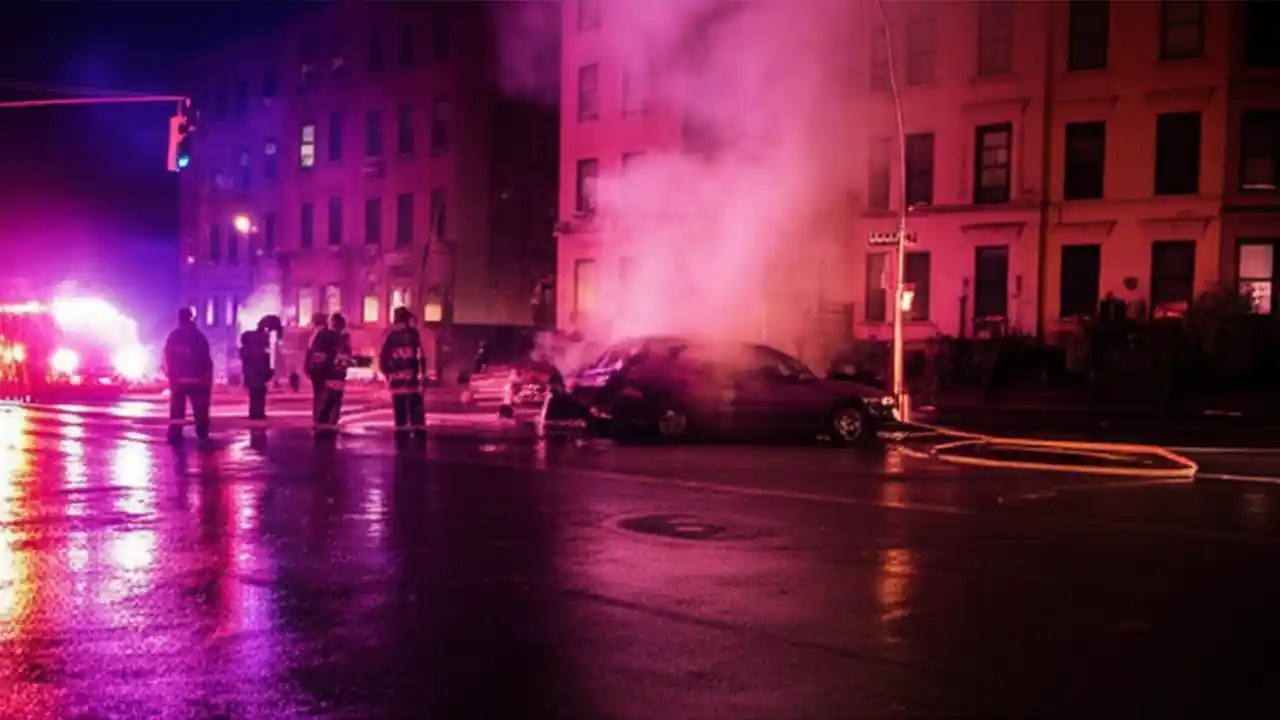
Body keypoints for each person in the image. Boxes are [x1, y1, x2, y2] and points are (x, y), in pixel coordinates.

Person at [163, 307, 213, 443]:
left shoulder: (174, 336)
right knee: (200, 409)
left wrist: (172, 375)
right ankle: (202, 434)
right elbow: (206, 358)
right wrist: (206, 377)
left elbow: (168, 356)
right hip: (197, 380)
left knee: (177, 410)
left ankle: (175, 434)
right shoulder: (198, 336)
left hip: (178, 381)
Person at [380, 307, 427, 445]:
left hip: (397, 381)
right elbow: (421, 357)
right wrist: (423, 378)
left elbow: (383, 357)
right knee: (415, 412)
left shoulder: (390, 335)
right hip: (412, 380)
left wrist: (387, 375)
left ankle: (401, 440)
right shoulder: (413, 334)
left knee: (400, 411)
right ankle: (418, 438)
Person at [315, 313, 352, 433]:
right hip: (336, 375)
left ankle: (324, 425)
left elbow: (320, 356)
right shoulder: (342, 339)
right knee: (332, 401)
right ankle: (326, 425)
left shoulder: (329, 337)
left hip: (333, 374)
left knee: (329, 401)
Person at [304, 312, 335, 427]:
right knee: (319, 393)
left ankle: (321, 418)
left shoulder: (324, 335)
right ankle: (319, 418)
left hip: (321, 370)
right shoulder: (317, 334)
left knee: (321, 394)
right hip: (318, 370)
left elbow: (315, 353)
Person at [239, 319, 273, 420]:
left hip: (251, 374)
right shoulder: (261, 349)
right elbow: (266, 360)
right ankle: (258, 413)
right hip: (259, 373)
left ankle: (255, 412)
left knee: (254, 394)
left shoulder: (246, 350)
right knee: (259, 393)